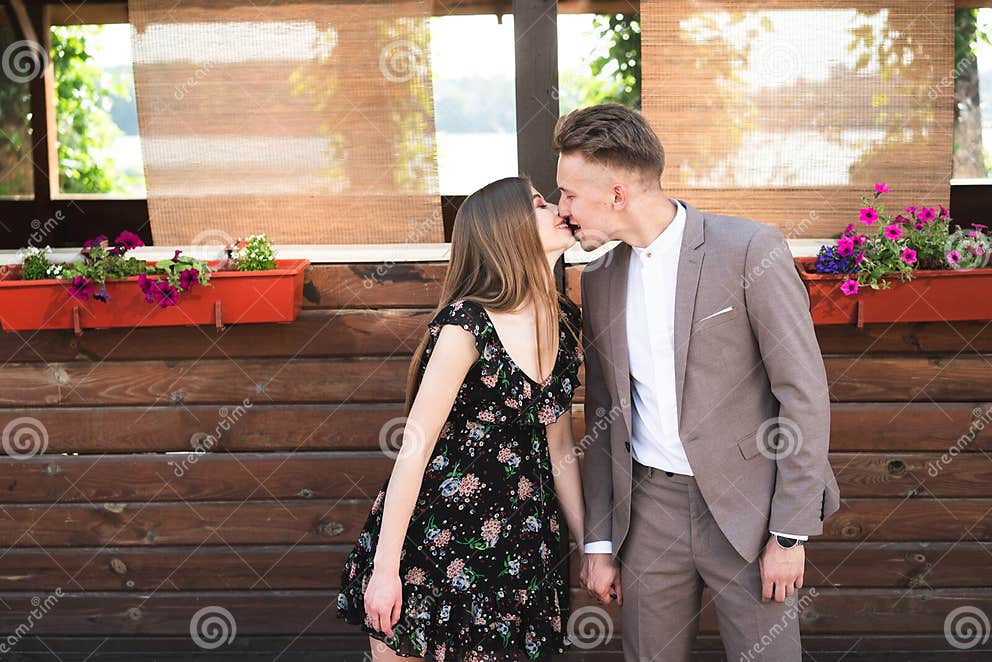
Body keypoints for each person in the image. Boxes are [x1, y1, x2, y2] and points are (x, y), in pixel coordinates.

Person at [555, 103, 841, 661]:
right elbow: (605, 411)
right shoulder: (600, 278)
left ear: (617, 195)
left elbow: (802, 394)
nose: (562, 209)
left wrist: (789, 533)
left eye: (569, 193)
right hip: (649, 509)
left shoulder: (748, 250)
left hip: (751, 509)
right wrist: (598, 540)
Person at [336, 176, 586, 661]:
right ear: (505, 229)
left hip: (521, 552)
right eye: (538, 204)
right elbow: (414, 451)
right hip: (435, 544)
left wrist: (590, 546)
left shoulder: (564, 321)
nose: (556, 207)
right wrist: (385, 569)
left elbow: (561, 452)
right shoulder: (467, 323)